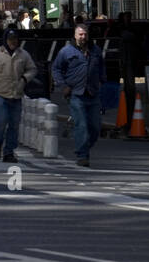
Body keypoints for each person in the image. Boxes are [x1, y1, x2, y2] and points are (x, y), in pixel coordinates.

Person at [0, 27, 37, 163]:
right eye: (10, 39)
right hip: (0, 94)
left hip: (16, 95)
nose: (13, 42)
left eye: (15, 39)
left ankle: (9, 151)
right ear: (5, 40)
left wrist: (25, 79)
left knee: (14, 125)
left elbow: (32, 69)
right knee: (1, 123)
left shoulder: (23, 55)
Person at [52, 20, 105, 167]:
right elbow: (56, 69)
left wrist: (102, 81)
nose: (83, 37)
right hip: (76, 94)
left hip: (93, 93)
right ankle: (82, 155)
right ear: (75, 36)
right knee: (81, 125)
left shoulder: (95, 50)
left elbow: (101, 67)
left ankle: (84, 147)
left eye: (85, 34)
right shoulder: (66, 51)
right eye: (80, 34)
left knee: (95, 127)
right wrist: (63, 86)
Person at [114, 11, 139, 137]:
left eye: (129, 17)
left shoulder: (132, 30)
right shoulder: (121, 31)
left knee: (130, 89)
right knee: (127, 89)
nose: (128, 19)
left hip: (130, 63)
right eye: (126, 17)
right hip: (125, 63)